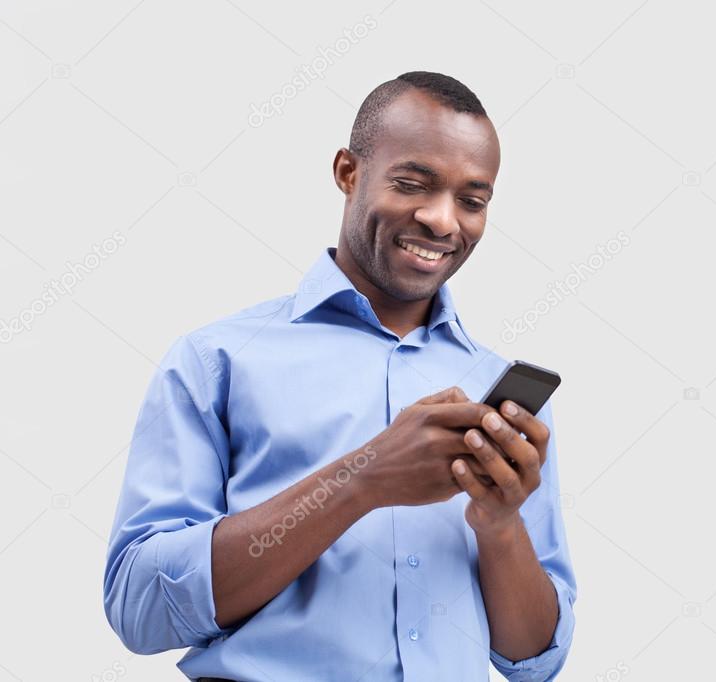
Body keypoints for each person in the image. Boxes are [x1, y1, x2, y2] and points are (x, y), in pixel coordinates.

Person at [102, 71, 576, 681]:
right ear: (348, 172)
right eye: (412, 184)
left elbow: (535, 662)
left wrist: (500, 525)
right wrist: (362, 478)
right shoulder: (217, 359)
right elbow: (140, 608)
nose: (442, 221)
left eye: (472, 201)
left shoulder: (496, 390)